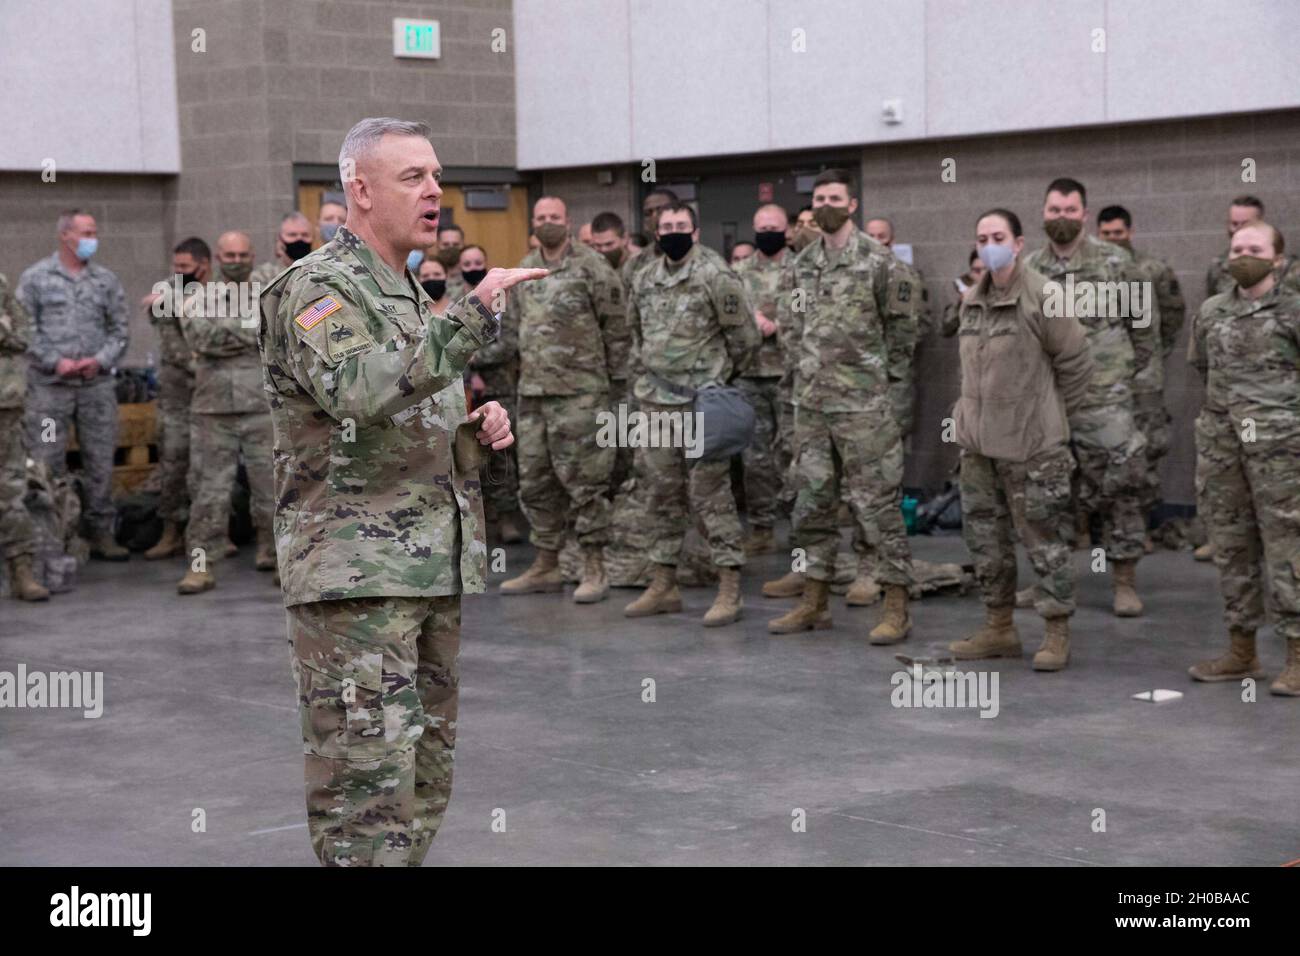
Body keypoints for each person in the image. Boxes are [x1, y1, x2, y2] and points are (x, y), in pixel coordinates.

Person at [259, 117, 544, 867]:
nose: (434, 192)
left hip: (427, 565)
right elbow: (356, 390)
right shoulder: (317, 288)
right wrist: (475, 314)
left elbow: (405, 402)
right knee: (367, 785)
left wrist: (473, 425)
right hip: (355, 577)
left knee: (422, 776)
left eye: (436, 175)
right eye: (412, 177)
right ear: (359, 190)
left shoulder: (408, 291)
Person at [764, 170, 918, 643]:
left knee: (877, 508)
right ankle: (814, 601)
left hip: (863, 406)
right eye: (818, 197)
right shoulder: (799, 265)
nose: (826, 204)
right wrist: (803, 374)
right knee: (812, 504)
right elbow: (790, 326)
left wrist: (878, 384)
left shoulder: (880, 262)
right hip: (811, 405)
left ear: (852, 205)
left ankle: (896, 605)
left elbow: (903, 329)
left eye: (835, 197)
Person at [947, 209, 1094, 670]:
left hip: (1032, 446)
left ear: (1018, 244)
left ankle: (1056, 632)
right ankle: (999, 628)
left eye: (998, 236)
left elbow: (1077, 364)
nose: (989, 243)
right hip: (978, 445)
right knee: (986, 541)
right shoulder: (972, 297)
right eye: (982, 236)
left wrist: (1048, 417)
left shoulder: (1045, 296)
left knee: (1044, 540)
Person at [623, 201, 759, 626]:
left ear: (696, 232)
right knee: (660, 493)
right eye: (666, 226)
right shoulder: (644, 277)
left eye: (682, 225)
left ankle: (729, 587)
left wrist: (717, 378)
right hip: (655, 403)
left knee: (710, 497)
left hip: (703, 404)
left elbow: (746, 338)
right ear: (657, 232)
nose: (673, 231)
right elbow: (636, 332)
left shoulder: (716, 275)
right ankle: (664, 584)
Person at [1024, 177, 1154, 617]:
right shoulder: (1029, 270)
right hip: (1049, 403)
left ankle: (1123, 582)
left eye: (1070, 210)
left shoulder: (1118, 263)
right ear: (1044, 213)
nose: (1062, 217)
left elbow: (1146, 333)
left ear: (1084, 212)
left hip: (1105, 401)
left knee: (1120, 490)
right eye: (1054, 210)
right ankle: (1052, 583)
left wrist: (1125, 382)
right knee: (1047, 496)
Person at [1187, 221, 1300, 696]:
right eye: (1235, 248)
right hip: (1223, 446)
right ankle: (1242, 650)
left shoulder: (1293, 311)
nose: (1242, 256)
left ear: (1277, 259)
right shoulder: (1213, 311)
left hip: (1281, 451)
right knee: (1232, 547)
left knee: (1287, 548)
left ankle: (1296, 653)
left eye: (1254, 249)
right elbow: (1201, 366)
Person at [499, 196, 627, 602]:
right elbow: (513, 330)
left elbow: (617, 328)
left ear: (568, 222)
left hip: (582, 394)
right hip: (533, 394)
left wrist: (617, 387)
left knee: (586, 483)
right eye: (541, 218)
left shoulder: (592, 266)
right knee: (535, 482)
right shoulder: (524, 267)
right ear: (533, 224)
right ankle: (547, 564)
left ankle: (594, 566)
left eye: (555, 217)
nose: (548, 223)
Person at [18, 209, 129, 560]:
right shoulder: (35, 278)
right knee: (46, 460)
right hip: (50, 390)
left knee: (100, 461)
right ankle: (49, 537)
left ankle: (100, 533)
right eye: (86, 232)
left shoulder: (106, 281)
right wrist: (56, 361)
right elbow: (24, 330)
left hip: (95, 387)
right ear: (65, 235)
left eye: (94, 232)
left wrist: (99, 360)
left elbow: (120, 330)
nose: (92, 238)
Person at [175, 230, 277, 594]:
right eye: (229, 256)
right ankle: (200, 566)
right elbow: (200, 338)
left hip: (260, 407)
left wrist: (228, 333)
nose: (236, 262)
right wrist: (250, 331)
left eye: (242, 255)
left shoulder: (269, 294)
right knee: (209, 492)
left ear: (253, 256)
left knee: (272, 488)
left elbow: (275, 334)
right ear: (217, 259)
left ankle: (277, 555)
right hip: (212, 409)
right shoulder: (195, 296)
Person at [1096, 204, 1186, 536]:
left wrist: (1155, 354)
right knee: (1104, 450)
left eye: (1118, 233)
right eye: (1106, 234)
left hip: (1145, 378)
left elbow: (1173, 314)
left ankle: (1141, 527)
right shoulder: (1093, 271)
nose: (1113, 239)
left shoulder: (1153, 269)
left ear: (1130, 232)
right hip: (1104, 379)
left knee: (1147, 447)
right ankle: (1107, 527)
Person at [142, 237, 210, 560]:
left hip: (212, 395)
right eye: (176, 266)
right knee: (174, 457)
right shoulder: (169, 290)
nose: (178, 272)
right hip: (178, 392)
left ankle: (211, 533)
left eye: (185, 267)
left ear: (203, 266)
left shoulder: (221, 289)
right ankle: (171, 529)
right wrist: (203, 364)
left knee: (209, 465)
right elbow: (171, 343)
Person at [731, 203, 791, 557]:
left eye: (774, 226)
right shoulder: (737, 272)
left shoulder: (801, 268)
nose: (767, 231)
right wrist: (748, 317)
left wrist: (779, 324)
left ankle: (800, 528)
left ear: (786, 229)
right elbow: (727, 310)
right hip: (750, 374)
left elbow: (809, 309)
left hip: (788, 374)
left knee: (792, 454)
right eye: (761, 226)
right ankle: (762, 527)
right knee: (755, 458)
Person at [460, 246, 522, 544]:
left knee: (502, 453)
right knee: (470, 456)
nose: (472, 267)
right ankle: (481, 519)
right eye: (467, 263)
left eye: (478, 263)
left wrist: (474, 358)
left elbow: (508, 343)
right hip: (464, 390)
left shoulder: (499, 297)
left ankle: (507, 516)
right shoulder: (455, 300)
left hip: (500, 387)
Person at [1, 272, 48, 600]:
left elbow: (25, 335)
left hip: (5, 403)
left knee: (10, 488)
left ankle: (21, 570)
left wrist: (3, 328)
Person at [251, 212, 315, 288]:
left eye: (305, 235)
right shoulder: (263, 275)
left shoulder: (322, 272)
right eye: (292, 235)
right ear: (279, 239)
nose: (299, 238)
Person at [940, 249, 987, 337]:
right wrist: (960, 303)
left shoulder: (1004, 290)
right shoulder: (961, 289)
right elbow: (946, 331)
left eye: (987, 269)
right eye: (977, 271)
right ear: (971, 273)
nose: (982, 275)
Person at [434, 224, 467, 300]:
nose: (450, 248)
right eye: (446, 244)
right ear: (438, 245)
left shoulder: (471, 277)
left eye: (455, 244)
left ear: (463, 245)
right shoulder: (428, 275)